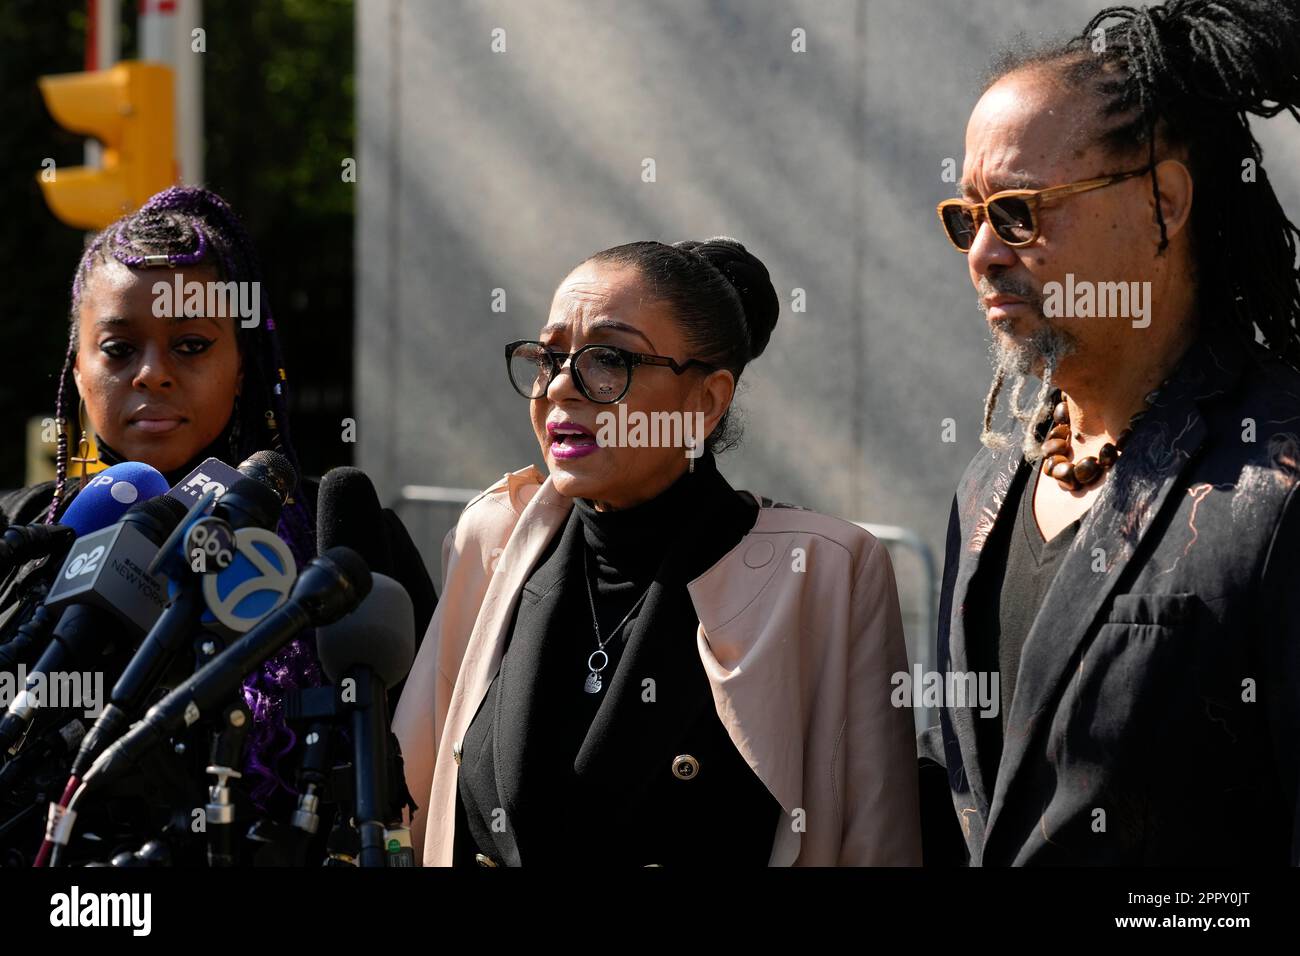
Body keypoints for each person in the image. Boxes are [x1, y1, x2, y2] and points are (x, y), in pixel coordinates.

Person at [394, 237, 920, 866]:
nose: (562, 387)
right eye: (550, 357)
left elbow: (875, 840)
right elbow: (415, 804)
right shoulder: (492, 539)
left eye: (609, 360)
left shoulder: (823, 572)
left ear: (705, 401)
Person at [924, 0, 1300, 865]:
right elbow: (964, 787)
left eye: (1018, 210)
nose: (982, 252)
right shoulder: (987, 489)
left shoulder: (1277, 480)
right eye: (965, 217)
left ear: (1164, 203)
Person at [0, 185, 435, 825]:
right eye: (119, 349)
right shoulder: (17, 533)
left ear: (242, 364)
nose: (152, 373)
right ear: (78, 368)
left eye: (192, 344)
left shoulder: (340, 531)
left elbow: (426, 764)